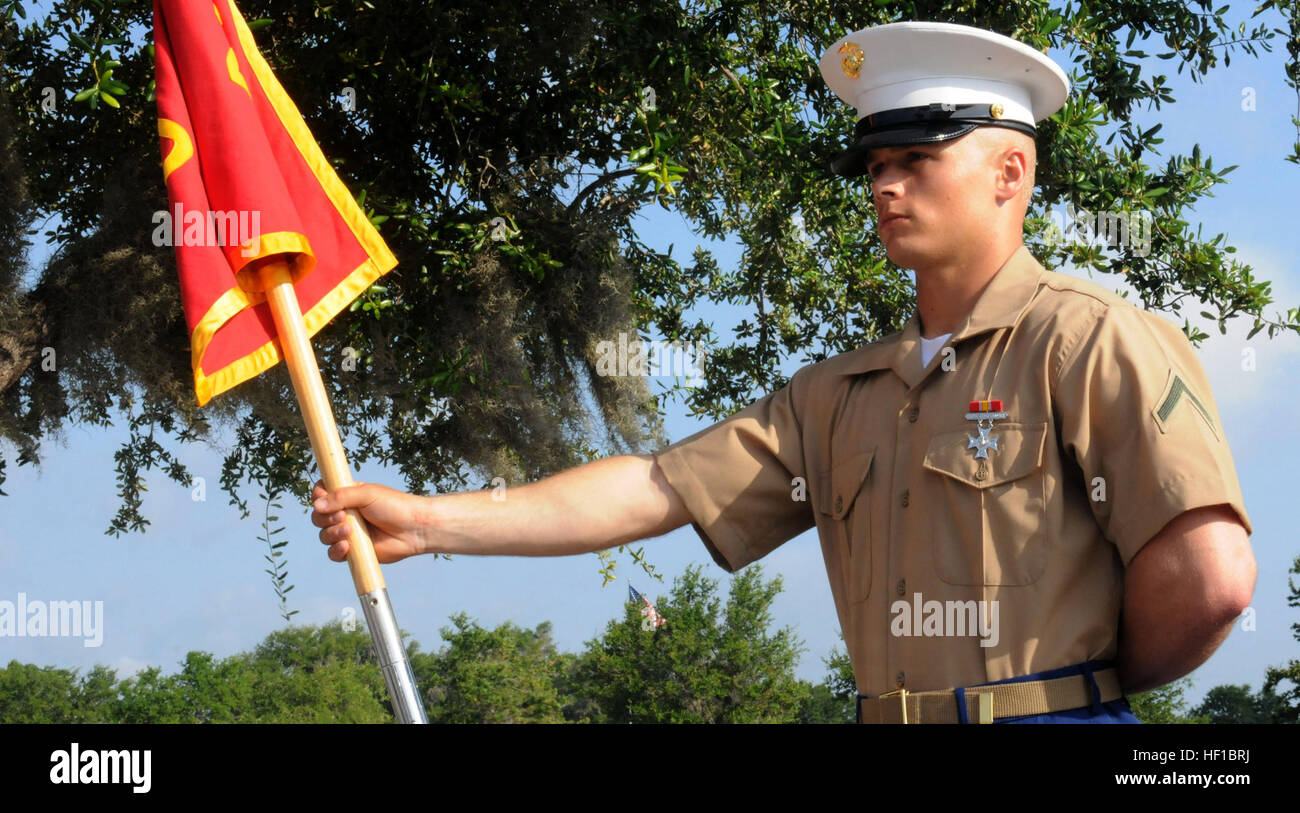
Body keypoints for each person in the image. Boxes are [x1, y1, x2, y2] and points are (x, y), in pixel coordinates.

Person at [311, 21, 1256, 723]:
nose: (886, 185)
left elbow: (1211, 576)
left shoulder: (1088, 341)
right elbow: (654, 488)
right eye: (877, 163)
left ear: (1012, 172)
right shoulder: (837, 396)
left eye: (918, 159)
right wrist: (426, 520)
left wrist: (1071, 687)